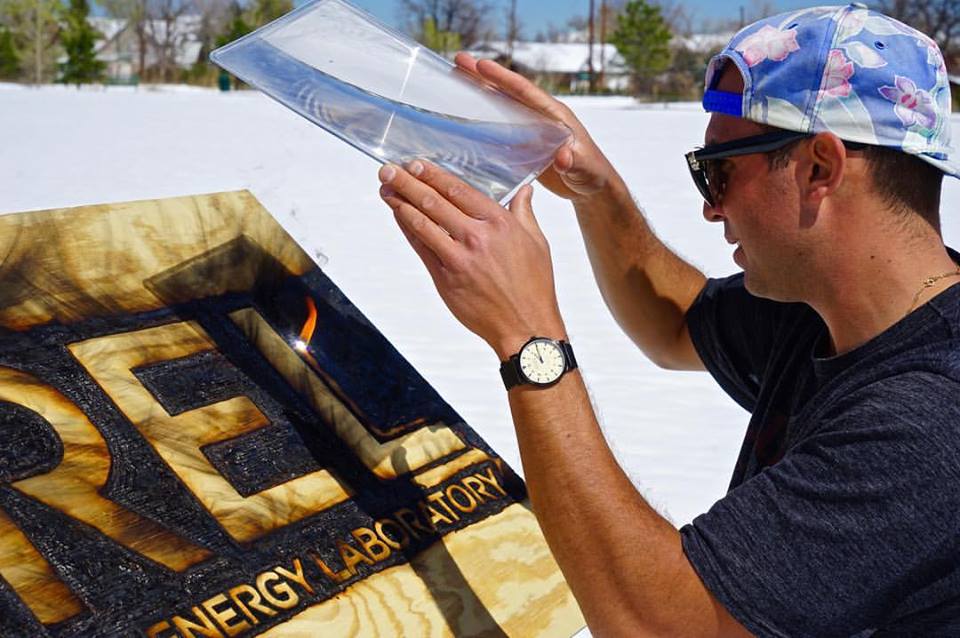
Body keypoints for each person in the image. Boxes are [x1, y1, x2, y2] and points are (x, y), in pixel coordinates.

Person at [377, 4, 960, 636]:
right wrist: (598, 194)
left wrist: (527, 339)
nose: (711, 209)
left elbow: (661, 626)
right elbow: (678, 324)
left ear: (820, 167)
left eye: (718, 172)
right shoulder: (837, 310)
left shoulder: (929, 420)